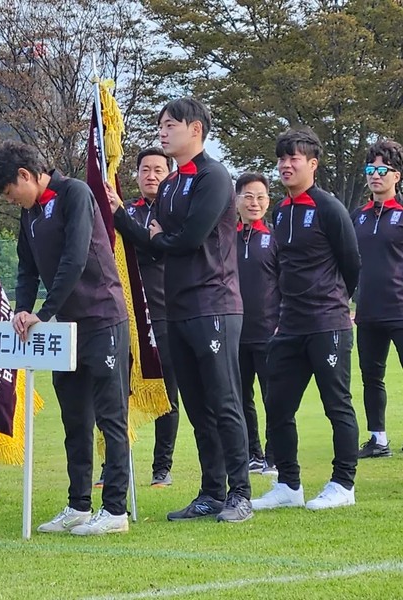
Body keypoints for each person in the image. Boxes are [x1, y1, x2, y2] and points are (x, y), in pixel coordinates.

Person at [0, 140, 131, 536]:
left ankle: (115, 510)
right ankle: (79, 504)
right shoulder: (29, 214)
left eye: (10, 192)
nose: (12, 201)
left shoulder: (74, 194)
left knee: (110, 418)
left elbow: (75, 259)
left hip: (102, 319)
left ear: (26, 175)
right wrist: (22, 310)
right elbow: (28, 270)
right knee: (74, 419)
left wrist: (42, 313)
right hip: (65, 330)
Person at [122, 98, 252, 523]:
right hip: (176, 309)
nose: (162, 131)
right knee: (197, 407)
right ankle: (211, 492)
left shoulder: (214, 177)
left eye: (170, 125)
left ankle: (241, 493)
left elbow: (187, 240)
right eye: (160, 125)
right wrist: (119, 213)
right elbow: (154, 243)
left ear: (195, 129)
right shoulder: (172, 184)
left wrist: (162, 237)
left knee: (224, 400)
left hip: (213, 304)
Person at [252, 127, 361, 512]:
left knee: (337, 406)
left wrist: (334, 303)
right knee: (278, 405)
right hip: (289, 326)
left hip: (327, 323)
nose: (285, 165)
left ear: (312, 164)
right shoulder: (280, 211)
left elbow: (351, 263)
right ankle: (288, 484)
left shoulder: (329, 208)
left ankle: (343, 484)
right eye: (281, 158)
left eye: (293, 158)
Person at [105, 147, 180, 488]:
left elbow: (154, 249)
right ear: (136, 175)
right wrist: (121, 217)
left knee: (167, 393)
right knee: (115, 392)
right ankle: (113, 463)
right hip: (124, 313)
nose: (151, 175)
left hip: (163, 313)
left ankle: (162, 467)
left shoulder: (173, 210)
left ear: (169, 175)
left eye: (158, 170)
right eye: (145, 169)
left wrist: (123, 219)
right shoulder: (125, 207)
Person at [352, 139, 403, 459]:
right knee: (372, 377)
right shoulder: (357, 217)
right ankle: (377, 440)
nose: (375, 175)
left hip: (400, 310)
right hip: (368, 312)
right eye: (370, 169)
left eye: (382, 170)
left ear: (397, 176)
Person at [234, 172, 280, 476]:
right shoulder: (226, 237)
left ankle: (274, 456)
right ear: (236, 200)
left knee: (272, 397)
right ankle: (253, 453)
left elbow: (286, 282)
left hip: (269, 332)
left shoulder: (274, 238)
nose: (254, 203)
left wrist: (281, 322)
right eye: (248, 196)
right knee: (241, 398)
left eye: (260, 197)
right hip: (235, 332)